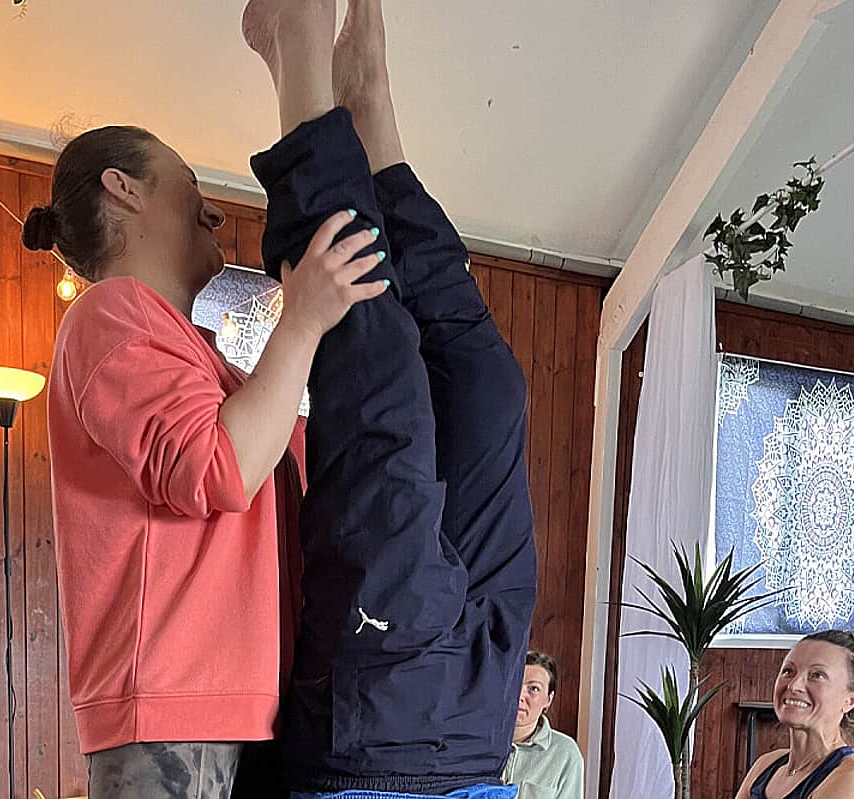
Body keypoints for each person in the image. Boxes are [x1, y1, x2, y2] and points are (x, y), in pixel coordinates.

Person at [29, 87, 387, 799]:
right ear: (122, 189)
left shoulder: (202, 360)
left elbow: (265, 465)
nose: (215, 210)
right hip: (173, 705)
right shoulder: (111, 314)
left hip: (228, 705)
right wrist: (303, 321)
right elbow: (218, 467)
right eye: (190, 184)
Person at [242, 0, 538, 795]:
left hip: (375, 749)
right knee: (486, 386)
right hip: (483, 729)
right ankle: (372, 117)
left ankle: (296, 61)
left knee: (379, 377)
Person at [734, 630, 854, 799]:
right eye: (789, 671)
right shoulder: (764, 766)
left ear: (851, 700)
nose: (793, 685)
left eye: (817, 675)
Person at [503, 652, 584, 799]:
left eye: (533, 689)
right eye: (515, 684)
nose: (520, 696)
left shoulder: (565, 753)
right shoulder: (475, 742)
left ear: (548, 699)